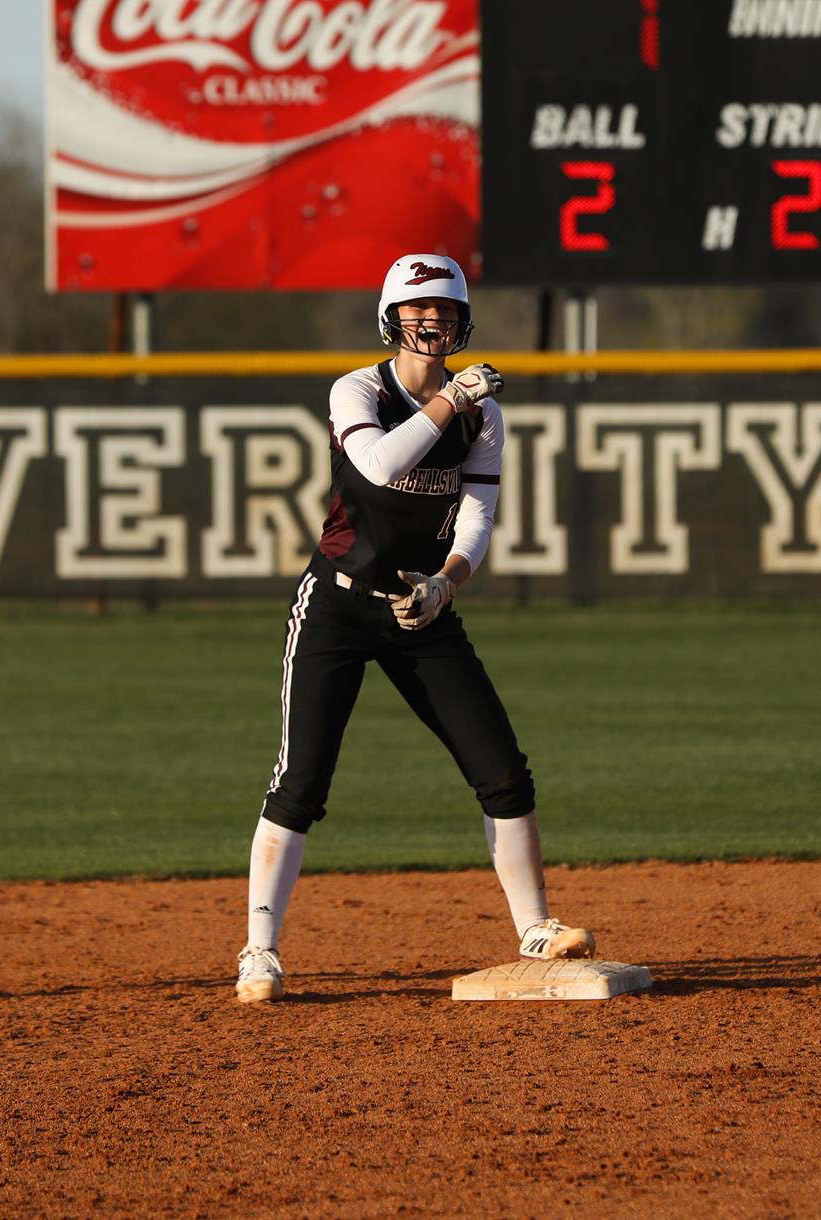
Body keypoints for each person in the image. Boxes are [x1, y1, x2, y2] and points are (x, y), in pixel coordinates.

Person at [234, 253, 595, 1003]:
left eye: (445, 311)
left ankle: (533, 925)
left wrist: (447, 582)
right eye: (416, 309)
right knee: (300, 781)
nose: (431, 322)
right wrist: (448, 402)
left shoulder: (482, 413)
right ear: (391, 317)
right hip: (335, 603)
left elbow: (479, 513)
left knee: (501, 766)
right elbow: (374, 466)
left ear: (465, 322)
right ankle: (259, 951)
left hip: (422, 606)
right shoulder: (360, 388)